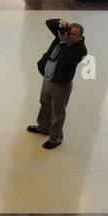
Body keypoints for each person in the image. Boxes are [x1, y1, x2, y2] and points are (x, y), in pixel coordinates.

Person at [26, 18, 87, 150]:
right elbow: (48, 23)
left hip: (61, 85)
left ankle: (56, 138)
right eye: (70, 32)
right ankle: (43, 127)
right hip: (48, 78)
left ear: (81, 37)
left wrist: (64, 42)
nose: (71, 35)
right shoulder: (62, 36)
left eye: (75, 34)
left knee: (58, 113)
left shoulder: (80, 49)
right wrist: (61, 22)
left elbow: (66, 60)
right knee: (45, 104)